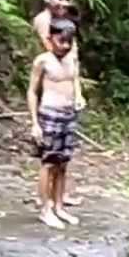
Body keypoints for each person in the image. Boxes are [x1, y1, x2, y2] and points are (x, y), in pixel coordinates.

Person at [28, 18, 84, 230]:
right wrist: (35, 123)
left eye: (69, 41)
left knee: (63, 163)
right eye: (61, 41)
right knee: (48, 163)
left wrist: (79, 96)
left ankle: (59, 206)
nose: (65, 46)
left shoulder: (72, 59)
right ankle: (45, 209)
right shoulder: (43, 61)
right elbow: (32, 92)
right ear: (50, 39)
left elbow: (75, 79)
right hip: (49, 115)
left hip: (68, 115)